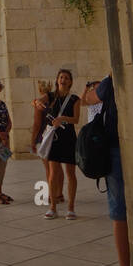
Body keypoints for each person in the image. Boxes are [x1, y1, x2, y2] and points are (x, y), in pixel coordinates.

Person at [81, 73, 132, 266]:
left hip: (114, 150)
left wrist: (91, 87)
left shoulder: (111, 81)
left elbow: (88, 98)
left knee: (119, 212)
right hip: (132, 148)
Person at [46, 68, 81, 219]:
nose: (63, 80)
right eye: (61, 77)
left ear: (70, 82)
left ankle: (71, 208)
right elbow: (36, 102)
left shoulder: (75, 99)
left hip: (68, 138)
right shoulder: (51, 96)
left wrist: (63, 119)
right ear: (57, 80)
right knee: (53, 173)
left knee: (70, 173)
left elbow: (76, 119)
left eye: (66, 78)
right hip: (54, 138)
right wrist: (37, 103)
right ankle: (52, 207)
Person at [31, 82, 54, 199]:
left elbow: (37, 124)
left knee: (48, 169)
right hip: (54, 137)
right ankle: (59, 193)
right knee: (56, 168)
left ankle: (52, 194)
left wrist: (32, 141)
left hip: (44, 138)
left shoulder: (39, 105)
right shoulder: (54, 102)